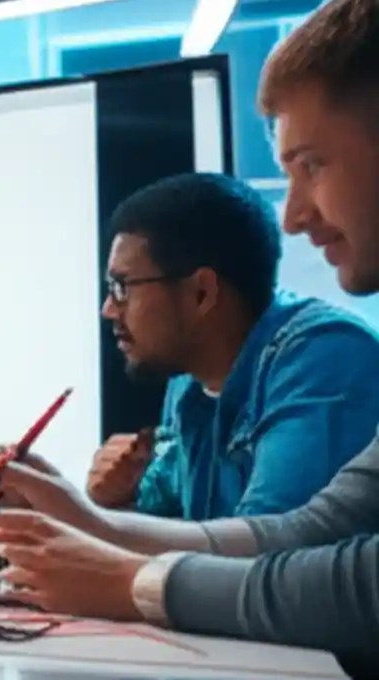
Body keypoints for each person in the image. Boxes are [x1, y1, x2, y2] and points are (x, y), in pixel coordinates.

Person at [0, 0, 379, 679]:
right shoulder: (185, 393)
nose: (293, 216)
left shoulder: (325, 356)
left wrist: (130, 581)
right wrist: (84, 515)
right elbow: (310, 531)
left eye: (312, 165)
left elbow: (328, 575)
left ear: (201, 292)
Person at [89, 172, 378, 519]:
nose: (108, 309)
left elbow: (268, 541)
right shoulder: (188, 379)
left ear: (202, 293)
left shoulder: (327, 358)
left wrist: (83, 520)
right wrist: (117, 497)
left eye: (122, 287)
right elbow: (169, 512)